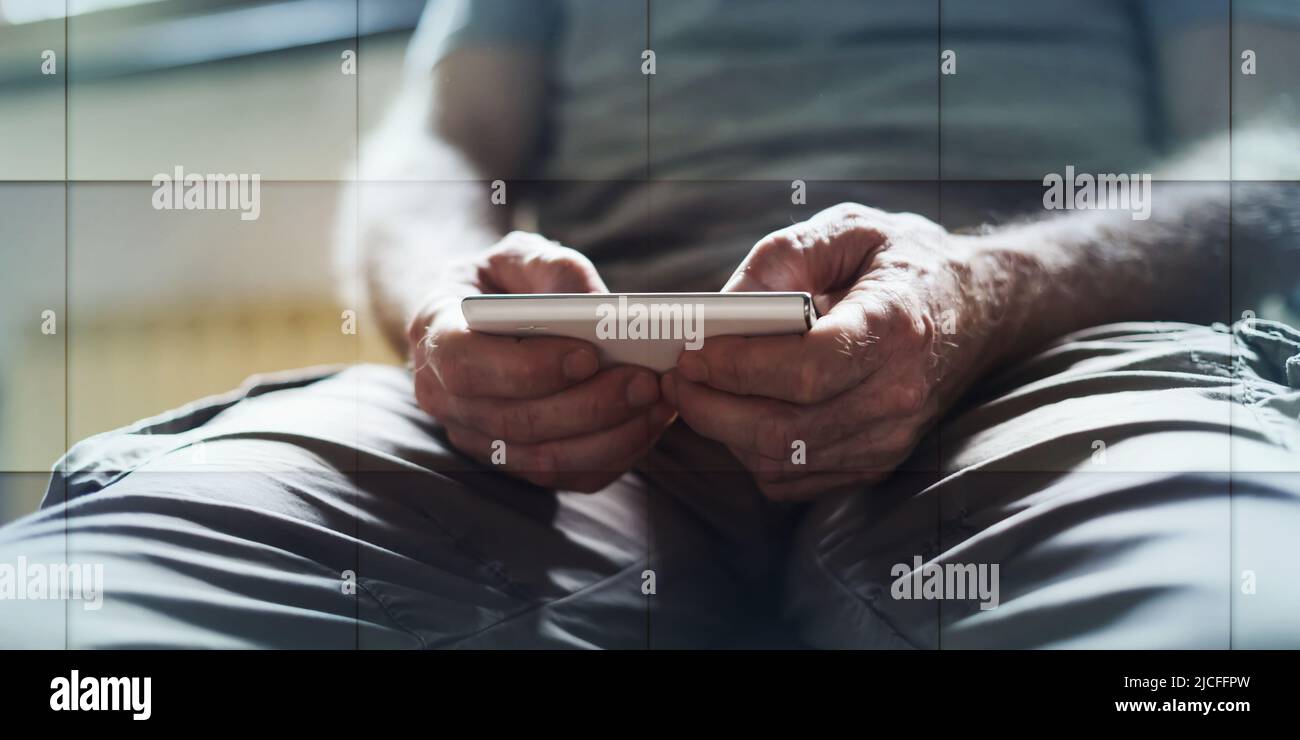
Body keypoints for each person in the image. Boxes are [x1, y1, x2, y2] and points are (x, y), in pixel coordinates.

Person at [2, 0, 1298, 648]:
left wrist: (991, 292)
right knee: (128, 587)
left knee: (1218, 602)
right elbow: (433, 148)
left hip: (1052, 365)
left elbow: (1271, 155)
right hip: (583, 414)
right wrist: (457, 304)